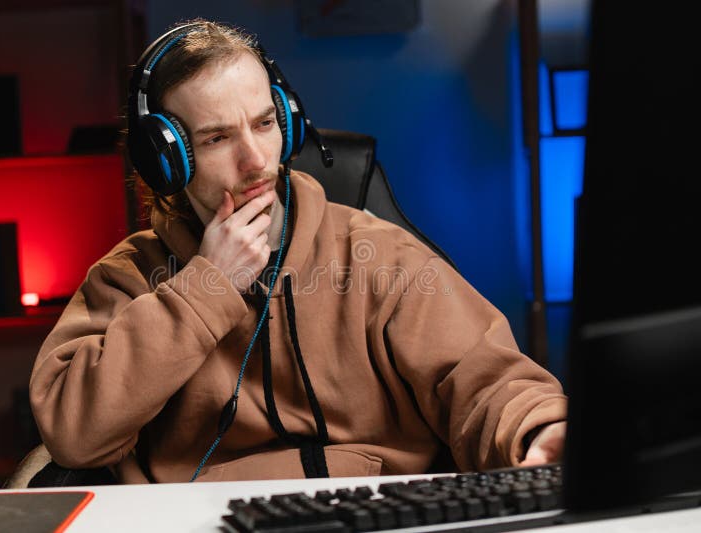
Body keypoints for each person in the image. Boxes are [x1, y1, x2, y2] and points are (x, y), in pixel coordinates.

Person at [28, 18, 567, 484]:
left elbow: (486, 379)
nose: (256, 160)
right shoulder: (127, 278)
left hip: (370, 514)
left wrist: (540, 431)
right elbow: (75, 436)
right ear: (167, 159)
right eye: (217, 139)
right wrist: (205, 287)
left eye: (265, 124)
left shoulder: (378, 257)